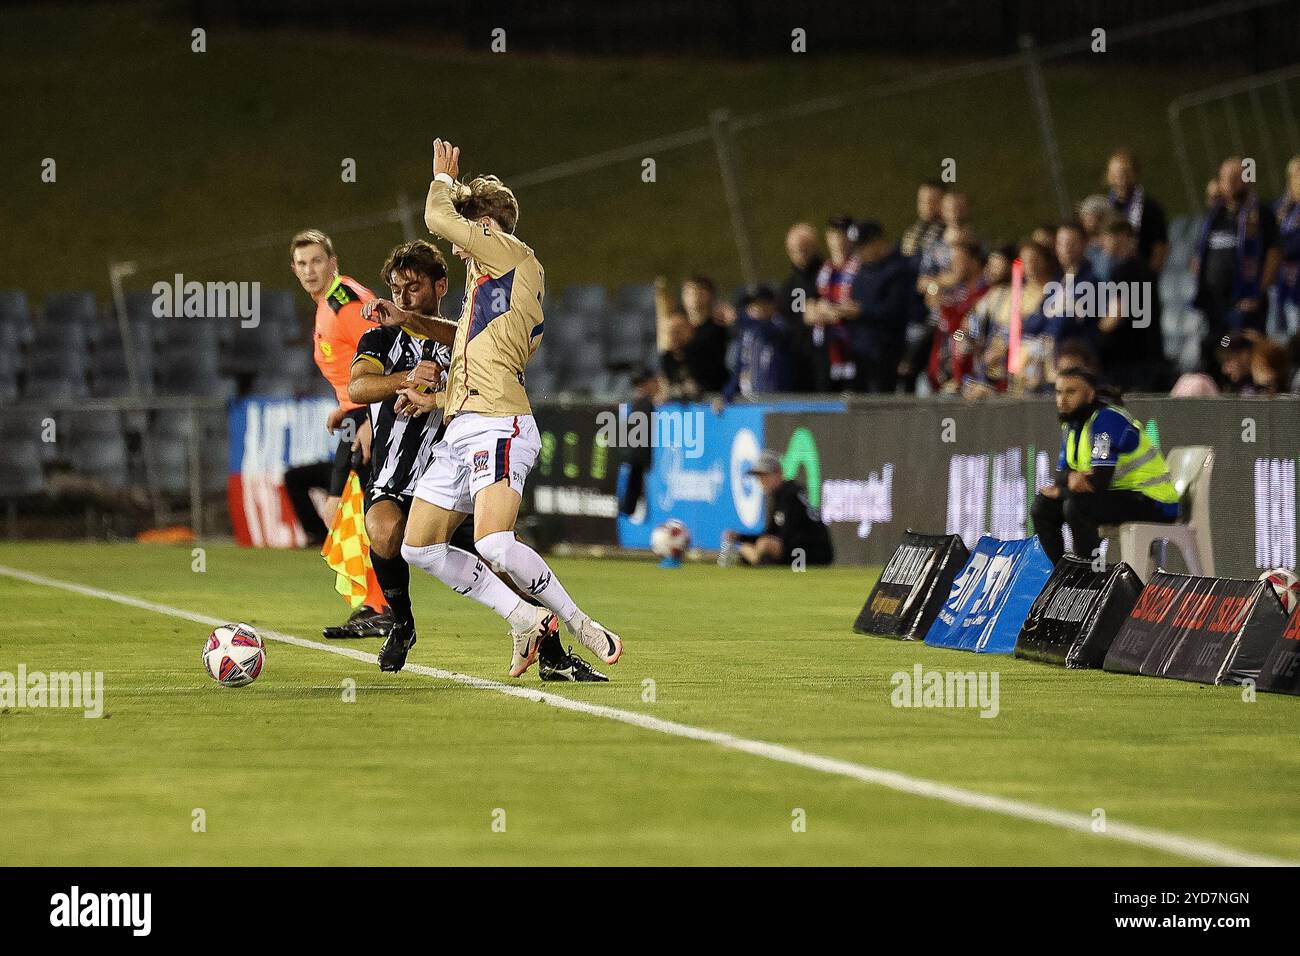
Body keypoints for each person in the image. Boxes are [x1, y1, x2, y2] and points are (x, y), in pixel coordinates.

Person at [389, 138, 623, 678]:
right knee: (418, 548)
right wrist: (435, 394)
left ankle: (582, 624)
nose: (461, 248)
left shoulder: (511, 254)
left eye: (470, 234)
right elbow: (475, 348)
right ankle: (521, 616)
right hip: (463, 425)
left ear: (489, 227)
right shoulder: (491, 280)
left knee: (493, 539)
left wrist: (443, 181)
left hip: (499, 424)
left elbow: (434, 215)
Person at [352, 240, 603, 680]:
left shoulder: (467, 340)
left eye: (413, 287)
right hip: (397, 474)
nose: (403, 297)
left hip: (460, 471)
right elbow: (358, 388)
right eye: (396, 289)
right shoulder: (380, 335)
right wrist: (406, 379)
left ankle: (553, 653)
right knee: (385, 530)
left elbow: (478, 351)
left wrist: (434, 391)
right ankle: (402, 622)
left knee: (499, 555)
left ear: (441, 285)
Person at [286, 228, 390, 639]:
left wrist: (366, 416)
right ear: (294, 270)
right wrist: (345, 407)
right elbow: (353, 364)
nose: (310, 270)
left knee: (355, 511)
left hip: (370, 418)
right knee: (349, 512)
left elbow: (383, 347)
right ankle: (376, 604)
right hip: (357, 415)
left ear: (333, 262)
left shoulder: (343, 302)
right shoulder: (328, 304)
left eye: (316, 261)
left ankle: (381, 606)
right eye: (302, 264)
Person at [1030, 365, 1179, 566]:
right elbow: (1061, 474)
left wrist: (1066, 487)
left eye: (1071, 392)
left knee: (1078, 506)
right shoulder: (1071, 426)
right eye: (1058, 392)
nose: (1062, 400)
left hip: (1154, 501)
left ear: (1090, 394)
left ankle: (1089, 577)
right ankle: (1061, 574)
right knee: (1043, 506)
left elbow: (1099, 481)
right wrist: (1070, 479)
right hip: (1120, 495)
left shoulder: (1107, 420)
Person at [1193, 156, 1283, 370]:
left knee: (1238, 345)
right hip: (1215, 306)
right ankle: (1218, 389)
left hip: (1245, 305)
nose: (1231, 183)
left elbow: (1274, 254)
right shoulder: (1216, 215)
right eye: (1226, 178)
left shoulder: (1261, 213)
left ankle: (1250, 392)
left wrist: (1257, 291)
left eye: (1236, 177)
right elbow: (1200, 254)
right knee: (1216, 346)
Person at [719, 452, 833, 568]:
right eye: (759, 477)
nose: (761, 481)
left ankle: (758, 561)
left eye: (765, 475)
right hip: (798, 550)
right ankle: (757, 560)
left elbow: (786, 537)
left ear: (779, 474)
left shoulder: (791, 495)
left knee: (763, 545)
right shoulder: (779, 496)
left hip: (812, 553)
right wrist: (739, 537)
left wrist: (760, 548)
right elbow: (770, 533)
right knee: (749, 547)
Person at [1097, 219, 1169, 392]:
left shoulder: (1123, 272)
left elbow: (1115, 316)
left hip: (1129, 363)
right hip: (1150, 356)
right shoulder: (1144, 268)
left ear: (1120, 238)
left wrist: (1094, 335)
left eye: (1106, 237)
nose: (1102, 243)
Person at [848, 220, 910, 393]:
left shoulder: (898, 270)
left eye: (862, 247)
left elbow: (895, 312)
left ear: (877, 242)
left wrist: (861, 312)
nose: (858, 253)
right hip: (862, 352)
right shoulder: (862, 270)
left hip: (885, 351)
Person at [806, 215, 862, 389]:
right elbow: (807, 310)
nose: (839, 240)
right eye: (834, 234)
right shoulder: (822, 271)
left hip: (853, 347)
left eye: (844, 234)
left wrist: (831, 311)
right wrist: (818, 310)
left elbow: (858, 307)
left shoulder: (860, 268)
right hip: (826, 349)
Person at [717, 285, 792, 406]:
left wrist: (739, 318)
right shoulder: (747, 333)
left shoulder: (780, 327)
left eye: (761, 304)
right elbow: (740, 368)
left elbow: (766, 332)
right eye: (751, 305)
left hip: (776, 400)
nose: (755, 309)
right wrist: (726, 394)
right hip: (750, 400)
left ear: (772, 305)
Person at [654, 274, 729, 393]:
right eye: (689, 292)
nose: (694, 297)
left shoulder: (718, 328)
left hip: (712, 390)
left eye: (699, 292)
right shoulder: (676, 327)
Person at [777, 222, 823, 392]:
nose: (799, 254)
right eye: (794, 250)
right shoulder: (790, 286)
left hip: (826, 354)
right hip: (800, 358)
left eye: (804, 248)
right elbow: (788, 318)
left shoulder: (827, 274)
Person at [1106, 149, 1169, 274]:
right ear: (1109, 176)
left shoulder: (1151, 207)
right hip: (1111, 275)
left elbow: (1160, 246)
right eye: (1116, 173)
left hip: (1140, 275)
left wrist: (1150, 276)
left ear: (1135, 174)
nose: (1121, 178)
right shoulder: (1106, 207)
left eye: (1125, 172)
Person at [1273, 155, 1300, 338]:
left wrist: (1278, 250)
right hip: (1281, 284)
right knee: (1280, 335)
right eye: (1295, 176)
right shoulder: (1282, 209)